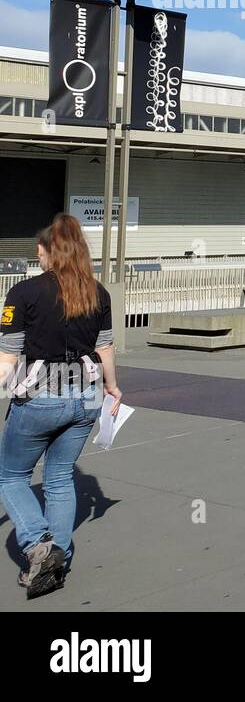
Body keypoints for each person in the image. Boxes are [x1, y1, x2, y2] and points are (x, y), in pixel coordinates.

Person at [0, 214, 122, 600]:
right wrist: (113, 388)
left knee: (11, 476)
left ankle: (39, 546)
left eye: (39, 247)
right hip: (87, 397)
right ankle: (57, 562)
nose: (35, 253)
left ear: (51, 251)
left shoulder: (23, 293)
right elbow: (104, 347)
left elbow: (8, 357)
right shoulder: (97, 293)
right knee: (59, 478)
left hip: (39, 399)